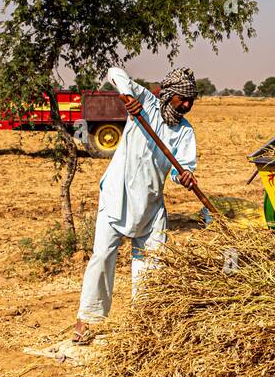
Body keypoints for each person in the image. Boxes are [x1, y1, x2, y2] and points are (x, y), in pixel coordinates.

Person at [73, 66, 199, 344]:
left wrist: (185, 176)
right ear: (168, 94)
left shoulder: (185, 132)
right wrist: (128, 96)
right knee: (102, 257)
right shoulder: (147, 105)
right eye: (182, 98)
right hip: (116, 196)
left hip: (151, 207)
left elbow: (182, 169)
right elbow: (114, 72)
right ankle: (87, 319)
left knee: (151, 265)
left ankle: (141, 323)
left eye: (191, 100)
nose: (187, 105)